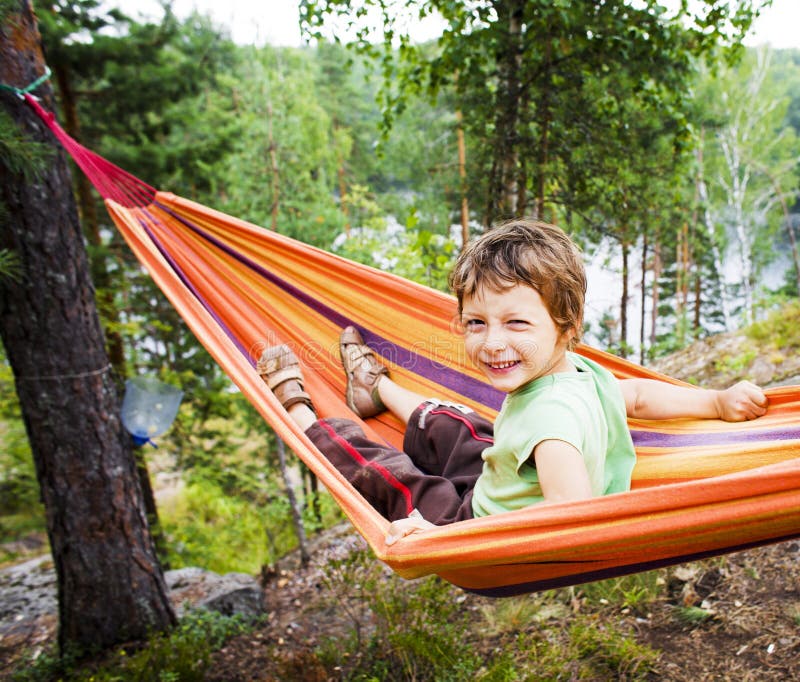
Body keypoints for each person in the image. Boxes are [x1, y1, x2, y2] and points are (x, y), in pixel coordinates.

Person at [258, 220, 768, 545]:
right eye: (476, 323)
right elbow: (635, 393)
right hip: (502, 470)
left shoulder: (549, 426)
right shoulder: (579, 371)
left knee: (386, 471)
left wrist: (435, 535)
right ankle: (377, 389)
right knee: (454, 421)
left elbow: (572, 516)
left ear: (566, 326)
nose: (491, 343)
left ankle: (304, 416)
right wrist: (716, 402)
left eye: (516, 323)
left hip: (472, 520)